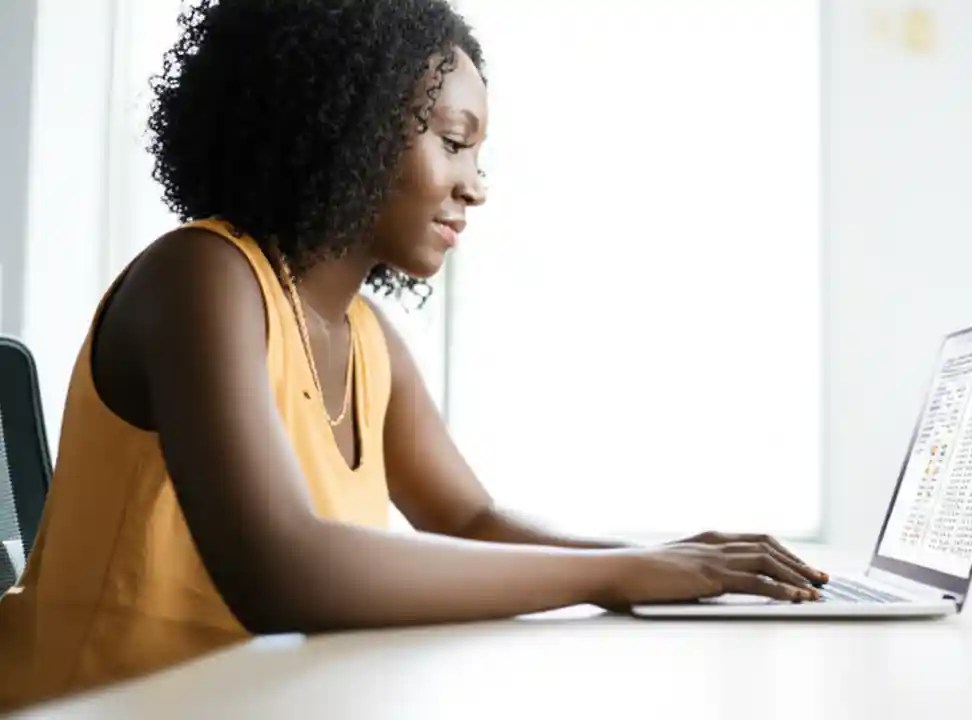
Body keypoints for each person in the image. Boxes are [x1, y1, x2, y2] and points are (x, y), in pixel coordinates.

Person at [0, 0, 826, 710]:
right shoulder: (201, 277)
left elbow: (470, 520)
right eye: (453, 141)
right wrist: (617, 578)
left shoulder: (366, 336)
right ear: (346, 123)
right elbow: (281, 570)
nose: (476, 184)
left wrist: (669, 562)